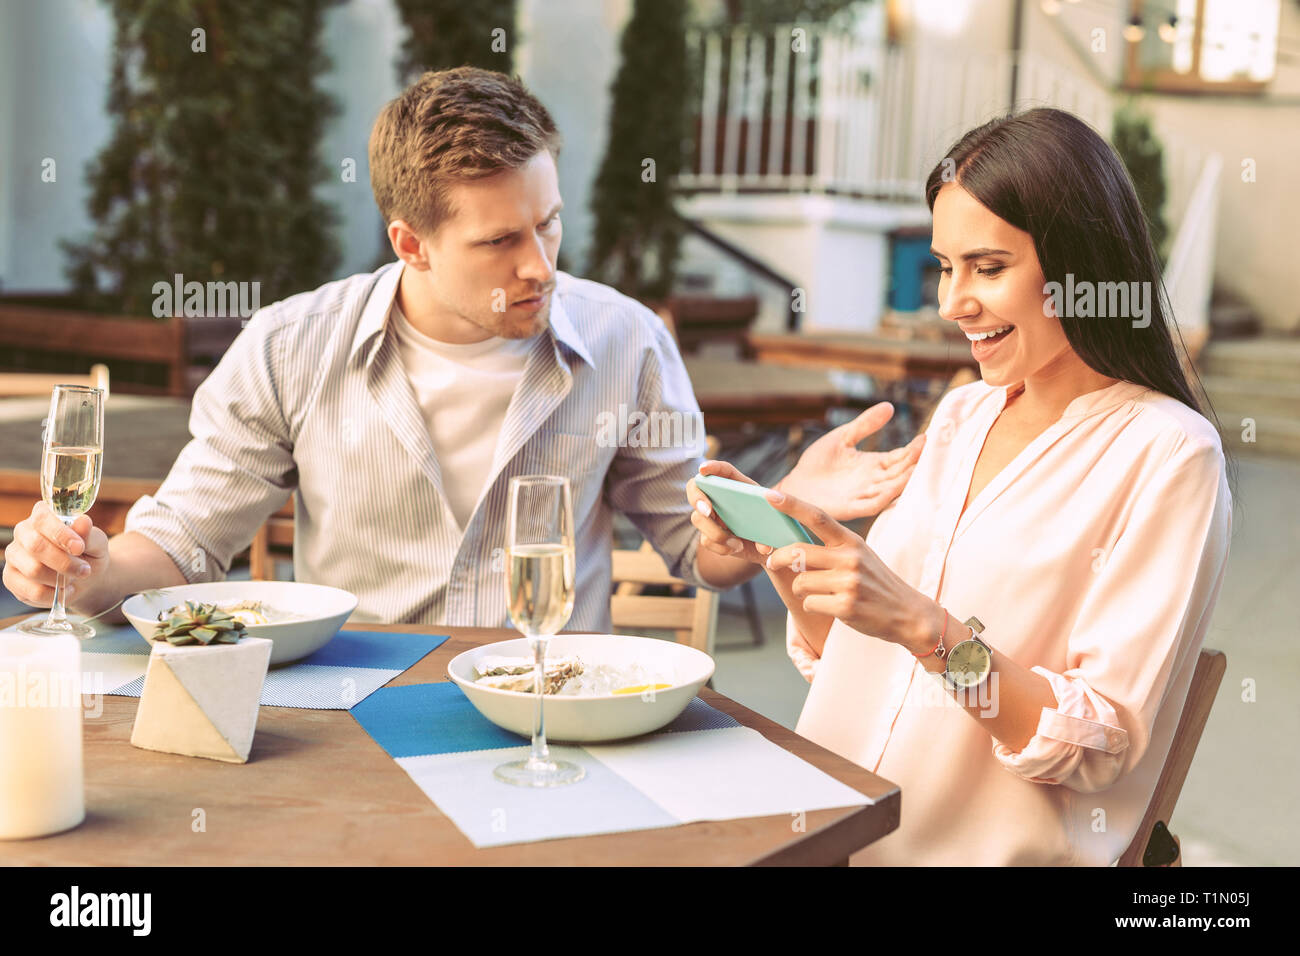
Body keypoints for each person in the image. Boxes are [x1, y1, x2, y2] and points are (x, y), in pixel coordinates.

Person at [3, 67, 922, 630]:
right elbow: (186, 541)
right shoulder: (291, 346)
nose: (539, 268)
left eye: (549, 226)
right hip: (356, 719)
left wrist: (774, 515)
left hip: (555, 708)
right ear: (411, 243)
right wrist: (88, 570)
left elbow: (697, 550)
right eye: (498, 244)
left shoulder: (627, 339)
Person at [687, 107, 1235, 866]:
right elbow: (857, 660)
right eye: (945, 266)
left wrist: (926, 629)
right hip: (820, 831)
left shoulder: (1169, 455)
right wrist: (793, 560)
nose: (951, 303)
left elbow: (1096, 741)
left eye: (988, 267)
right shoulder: (962, 414)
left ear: (1079, 269)